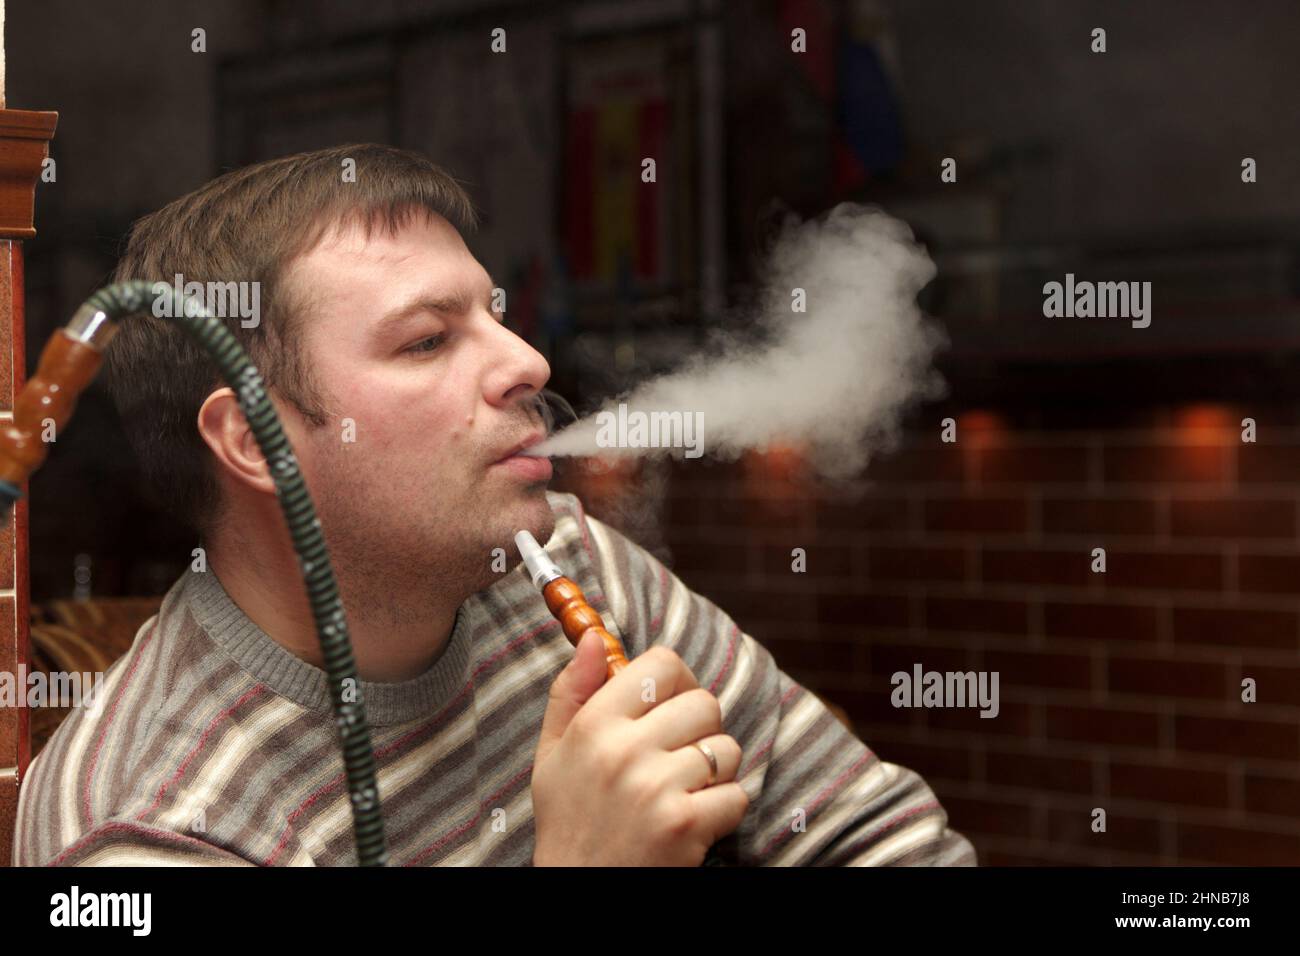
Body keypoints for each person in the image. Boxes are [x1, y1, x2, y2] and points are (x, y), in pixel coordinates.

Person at [14, 144, 975, 866]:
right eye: (429, 341)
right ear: (248, 438)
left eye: (494, 315)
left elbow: (882, 835)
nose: (528, 364)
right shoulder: (152, 835)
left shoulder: (565, 563)